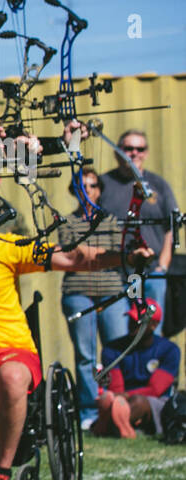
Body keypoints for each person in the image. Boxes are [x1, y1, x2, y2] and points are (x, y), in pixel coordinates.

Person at [0, 179, 145, 480]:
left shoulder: (8, 245)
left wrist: (125, 256)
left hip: (11, 348)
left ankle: (1, 476)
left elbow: (73, 259)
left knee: (13, 379)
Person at [58, 170, 126, 429]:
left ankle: (117, 405)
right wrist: (98, 257)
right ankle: (89, 410)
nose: (88, 191)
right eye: (82, 186)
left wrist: (88, 255)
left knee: (116, 352)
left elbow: (116, 252)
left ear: (99, 190)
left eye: (93, 186)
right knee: (86, 354)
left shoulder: (109, 220)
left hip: (111, 290)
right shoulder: (66, 222)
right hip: (78, 292)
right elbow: (70, 255)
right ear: (74, 190)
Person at [98, 130, 177, 334]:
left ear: (146, 153)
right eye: (128, 148)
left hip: (151, 274)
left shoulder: (158, 184)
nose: (134, 153)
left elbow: (171, 228)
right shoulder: (103, 184)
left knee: (151, 334)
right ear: (117, 152)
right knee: (117, 338)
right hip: (115, 275)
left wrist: (162, 266)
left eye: (139, 149)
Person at [92, 300, 180, 438]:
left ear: (153, 325)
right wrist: (119, 398)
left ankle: (107, 424)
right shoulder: (112, 350)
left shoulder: (170, 350)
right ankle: (119, 425)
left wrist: (125, 396)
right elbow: (116, 388)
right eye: (131, 320)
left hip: (157, 402)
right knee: (112, 400)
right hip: (119, 401)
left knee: (138, 401)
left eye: (139, 322)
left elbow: (155, 390)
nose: (133, 325)